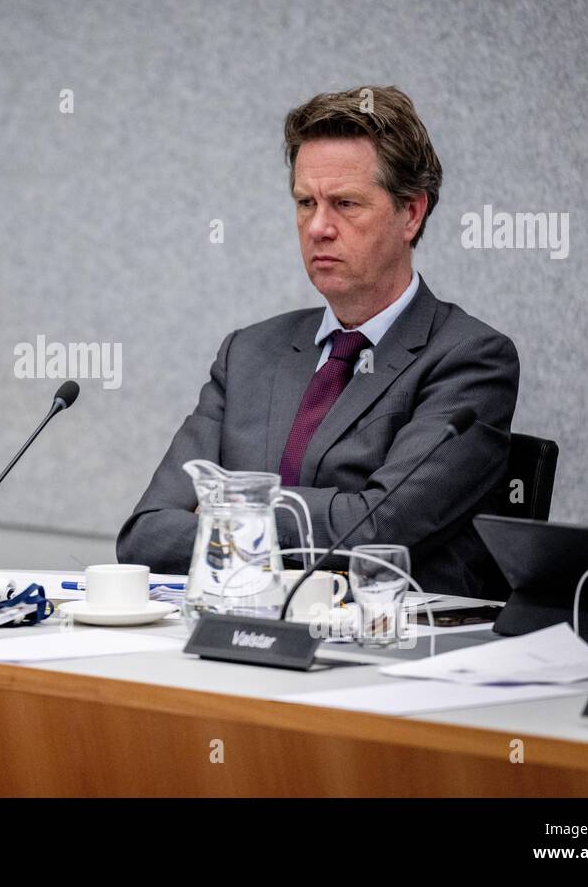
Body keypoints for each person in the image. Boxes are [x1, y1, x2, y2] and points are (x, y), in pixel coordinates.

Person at [117, 86, 519, 598]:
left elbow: (375, 531)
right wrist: (320, 516)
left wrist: (231, 510)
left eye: (346, 204)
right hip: (240, 634)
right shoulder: (249, 353)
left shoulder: (469, 359)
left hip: (391, 650)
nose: (319, 227)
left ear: (411, 213)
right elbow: (146, 534)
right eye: (306, 203)